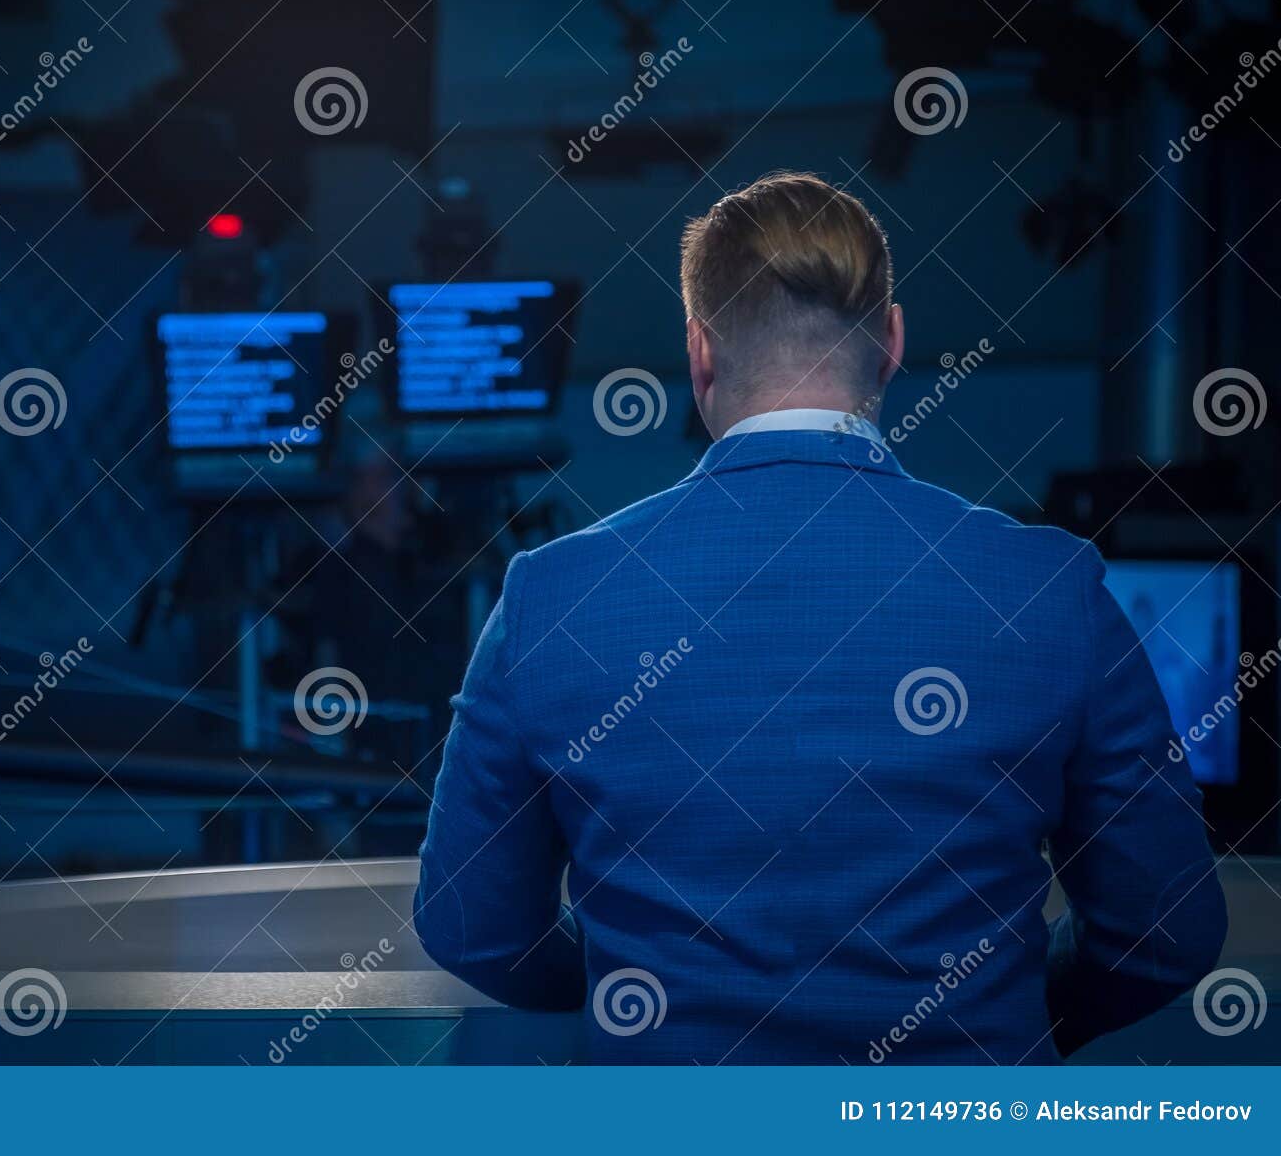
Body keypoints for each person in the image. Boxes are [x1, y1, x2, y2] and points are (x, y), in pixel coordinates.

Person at [413, 171, 1227, 1064]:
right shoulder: (1051, 586)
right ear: (892, 341)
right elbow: (1166, 930)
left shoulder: (550, 598)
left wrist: (622, 992)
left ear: (700, 351)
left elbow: (472, 928)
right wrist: (1019, 1007)